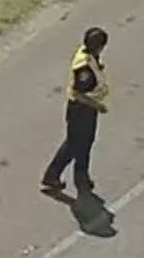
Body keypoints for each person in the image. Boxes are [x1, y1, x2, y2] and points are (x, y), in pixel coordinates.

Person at [42, 27, 110, 195]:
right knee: (75, 144)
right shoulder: (84, 68)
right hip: (82, 109)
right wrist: (97, 106)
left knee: (84, 143)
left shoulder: (88, 56)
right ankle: (53, 175)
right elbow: (79, 93)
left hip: (86, 109)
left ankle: (81, 178)